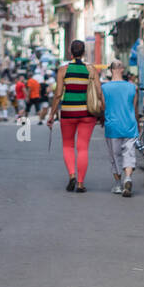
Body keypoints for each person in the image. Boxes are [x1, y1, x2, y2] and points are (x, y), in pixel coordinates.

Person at [46, 39, 99, 192]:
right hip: (87, 114)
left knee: (68, 145)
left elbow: (58, 94)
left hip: (68, 113)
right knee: (83, 148)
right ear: (83, 53)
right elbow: (99, 93)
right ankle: (81, 183)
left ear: (71, 52)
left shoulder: (63, 70)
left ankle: (71, 176)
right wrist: (102, 112)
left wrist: (52, 115)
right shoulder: (91, 70)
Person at [101, 60, 138, 197]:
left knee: (115, 156)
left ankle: (118, 185)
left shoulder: (104, 88)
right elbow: (134, 108)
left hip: (113, 126)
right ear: (122, 69)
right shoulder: (132, 87)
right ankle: (128, 178)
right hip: (129, 125)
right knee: (129, 154)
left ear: (111, 70)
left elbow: (103, 107)